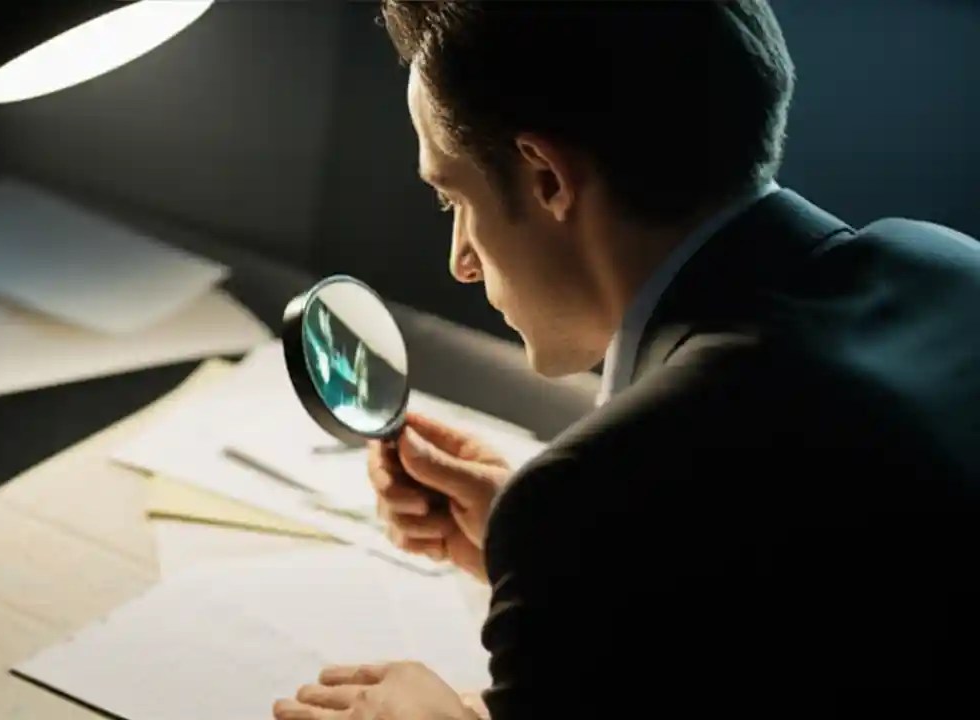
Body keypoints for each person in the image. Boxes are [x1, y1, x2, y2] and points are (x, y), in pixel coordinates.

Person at [274, 2, 979, 719]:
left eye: (453, 196)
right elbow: (854, 619)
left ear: (547, 176)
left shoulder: (590, 504)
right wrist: (574, 578)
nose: (460, 260)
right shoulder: (949, 266)